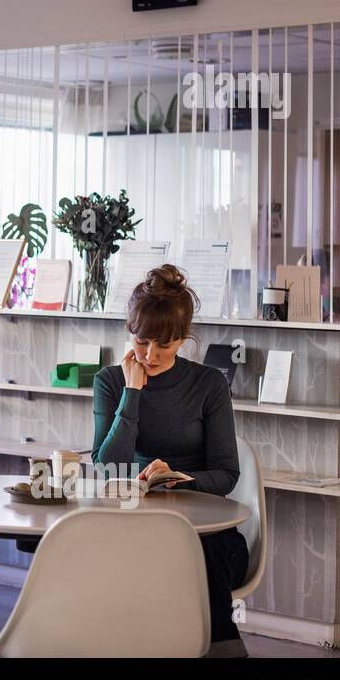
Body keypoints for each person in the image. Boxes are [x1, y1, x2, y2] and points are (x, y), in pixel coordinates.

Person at [91, 264, 250, 656]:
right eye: (143, 342)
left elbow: (227, 473)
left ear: (184, 339)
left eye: (165, 345)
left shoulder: (208, 384)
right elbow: (107, 467)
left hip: (207, 533)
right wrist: (132, 394)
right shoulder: (110, 382)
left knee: (200, 552)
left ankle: (222, 648)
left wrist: (180, 478)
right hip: (133, 527)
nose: (150, 355)